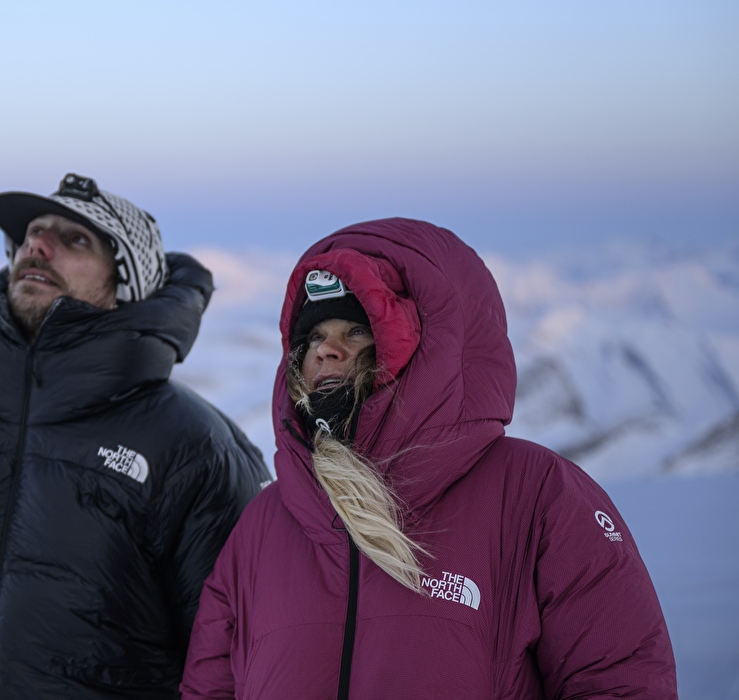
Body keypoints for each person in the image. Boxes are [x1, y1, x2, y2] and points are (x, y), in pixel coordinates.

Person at [181, 218, 677, 699]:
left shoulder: (534, 494)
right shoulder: (265, 526)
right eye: (312, 336)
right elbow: (210, 687)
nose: (327, 350)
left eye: (356, 330)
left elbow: (620, 679)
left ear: (422, 347)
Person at [0, 173, 270, 700]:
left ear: (125, 283)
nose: (37, 246)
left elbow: (234, 659)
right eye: (31, 235)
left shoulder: (192, 444)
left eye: (75, 240)